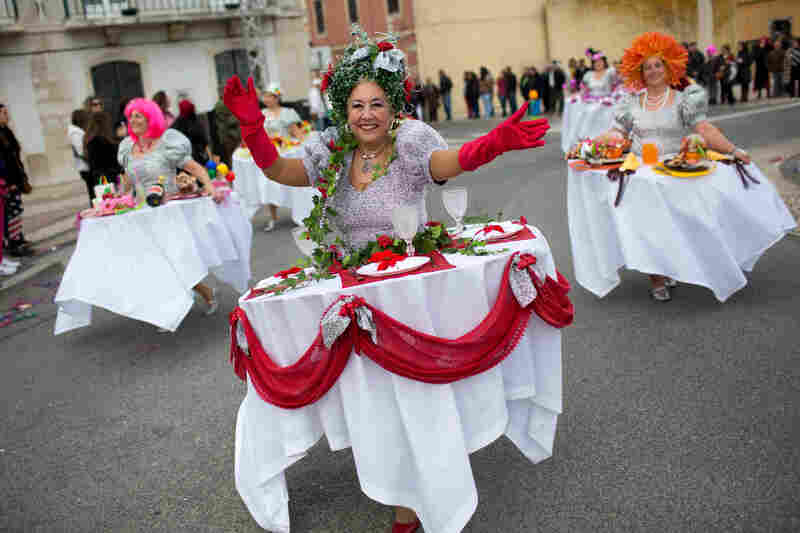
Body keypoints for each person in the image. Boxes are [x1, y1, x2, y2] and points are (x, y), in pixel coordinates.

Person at [223, 28, 549, 531]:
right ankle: (394, 470)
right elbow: (284, 172)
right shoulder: (331, 145)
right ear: (343, 108)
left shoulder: (413, 138)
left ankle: (414, 492)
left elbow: (445, 164)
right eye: (357, 105)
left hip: (407, 279)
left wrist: (490, 144)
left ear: (393, 104)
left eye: (377, 102)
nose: (367, 114)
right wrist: (252, 131)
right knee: (372, 395)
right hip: (351, 284)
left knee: (408, 391)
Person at [595, 32, 754, 301]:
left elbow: (704, 129)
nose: (653, 70)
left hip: (677, 171)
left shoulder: (684, 100)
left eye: (658, 64)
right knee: (647, 224)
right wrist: (596, 144)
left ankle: (674, 265)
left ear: (668, 66)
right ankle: (656, 275)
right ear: (640, 72)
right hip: (642, 174)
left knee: (683, 224)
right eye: (647, 66)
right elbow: (617, 133)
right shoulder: (631, 103)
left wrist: (733, 150)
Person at [117, 98, 224, 319]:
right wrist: (117, 199)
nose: (134, 120)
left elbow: (195, 168)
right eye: (131, 116)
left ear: (150, 118)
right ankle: (173, 306)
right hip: (141, 212)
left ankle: (201, 294)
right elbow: (127, 180)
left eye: (139, 115)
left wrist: (211, 187)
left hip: (168, 211)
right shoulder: (128, 146)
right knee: (152, 263)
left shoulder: (166, 144)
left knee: (173, 261)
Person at [260, 83, 303, 231]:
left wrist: (304, 144)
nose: (265, 99)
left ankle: (299, 212)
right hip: (269, 153)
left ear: (277, 97)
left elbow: (296, 132)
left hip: (287, 151)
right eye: (264, 96)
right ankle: (273, 216)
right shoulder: (261, 114)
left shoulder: (288, 112)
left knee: (293, 182)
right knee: (270, 183)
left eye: (269, 96)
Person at [0, 104, 33, 257]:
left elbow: (14, 156)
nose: (7, 116)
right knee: (11, 212)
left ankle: (18, 238)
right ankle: (13, 243)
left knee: (16, 210)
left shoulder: (6, 131)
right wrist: (8, 181)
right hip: (8, 181)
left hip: (15, 179)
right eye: (4, 113)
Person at [84, 111, 123, 192]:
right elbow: (114, 161)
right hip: (110, 178)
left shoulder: (89, 140)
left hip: (98, 179)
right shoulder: (105, 141)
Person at [171, 99, 213, 167]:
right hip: (198, 159)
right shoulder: (197, 123)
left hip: (183, 161)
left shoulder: (176, 124)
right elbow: (205, 142)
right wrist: (210, 158)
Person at [68, 109, 92, 206]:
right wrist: (91, 160)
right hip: (85, 167)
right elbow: (81, 151)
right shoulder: (75, 133)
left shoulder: (77, 131)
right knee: (93, 192)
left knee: (93, 191)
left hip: (86, 166)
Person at [213, 92, 240, 167]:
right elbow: (231, 120)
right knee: (235, 155)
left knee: (229, 155)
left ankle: (233, 170)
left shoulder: (218, 104)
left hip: (224, 136)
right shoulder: (224, 104)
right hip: (231, 135)